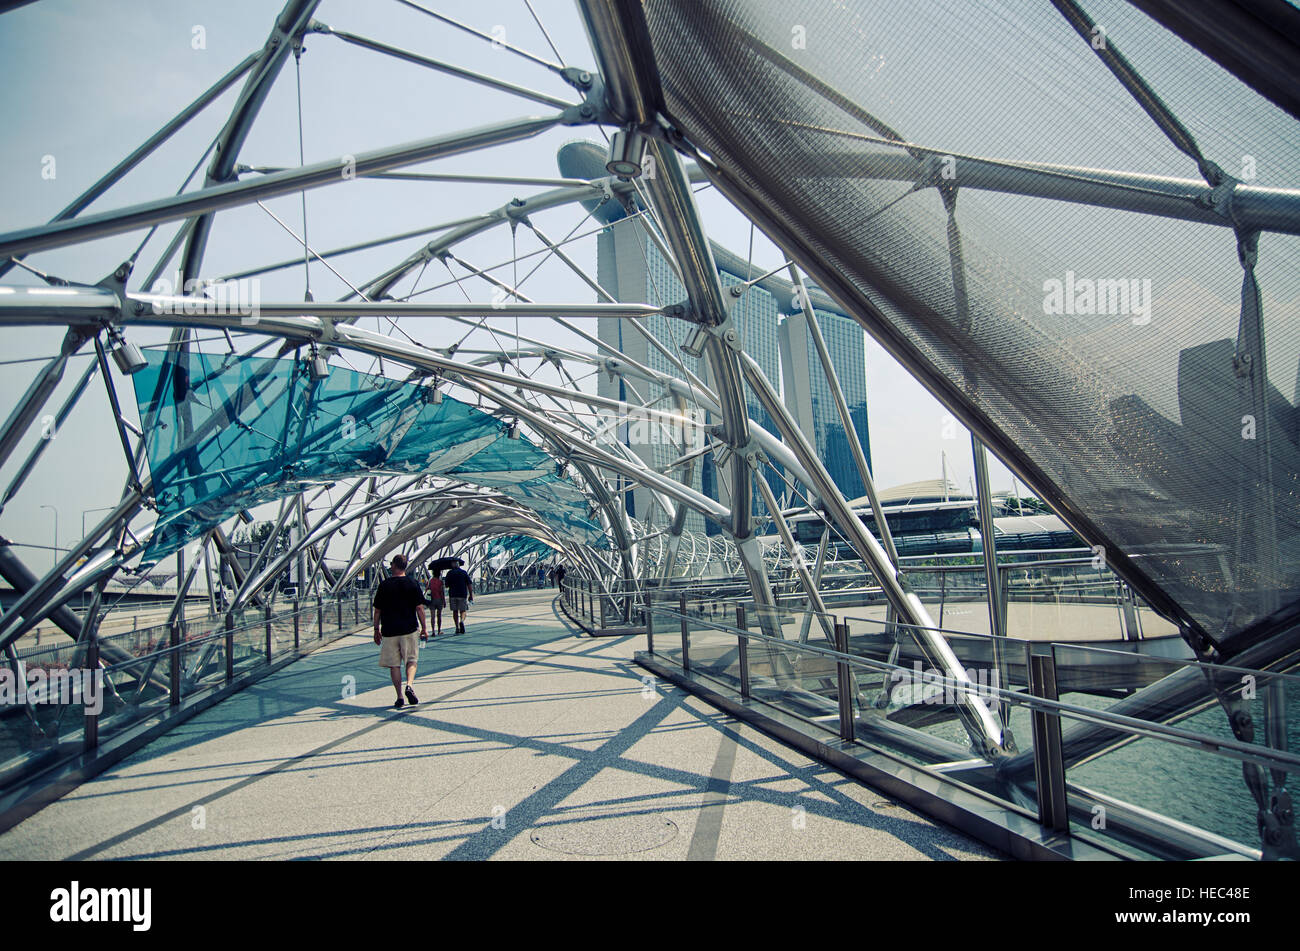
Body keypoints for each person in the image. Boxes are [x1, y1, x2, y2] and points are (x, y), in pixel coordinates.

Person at [372, 554, 427, 709]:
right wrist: (424, 628)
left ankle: (399, 696)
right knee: (411, 660)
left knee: (394, 665)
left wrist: (376, 629)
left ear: (395, 565)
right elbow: (419, 608)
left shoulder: (384, 585)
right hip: (409, 629)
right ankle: (409, 685)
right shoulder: (412, 583)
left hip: (389, 630)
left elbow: (377, 611)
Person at [444, 562, 473, 635]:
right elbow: (469, 584)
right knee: (463, 610)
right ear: (459, 565)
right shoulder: (463, 572)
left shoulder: (449, 573)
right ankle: (462, 621)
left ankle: (457, 627)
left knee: (455, 611)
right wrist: (471, 595)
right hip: (462, 594)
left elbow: (446, 585)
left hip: (453, 595)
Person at [426, 569, 446, 639]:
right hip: (439, 600)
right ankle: (439, 630)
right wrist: (444, 601)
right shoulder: (440, 582)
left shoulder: (429, 581)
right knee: (439, 616)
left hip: (432, 600)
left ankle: (433, 631)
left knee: (432, 616)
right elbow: (442, 592)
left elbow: (427, 590)